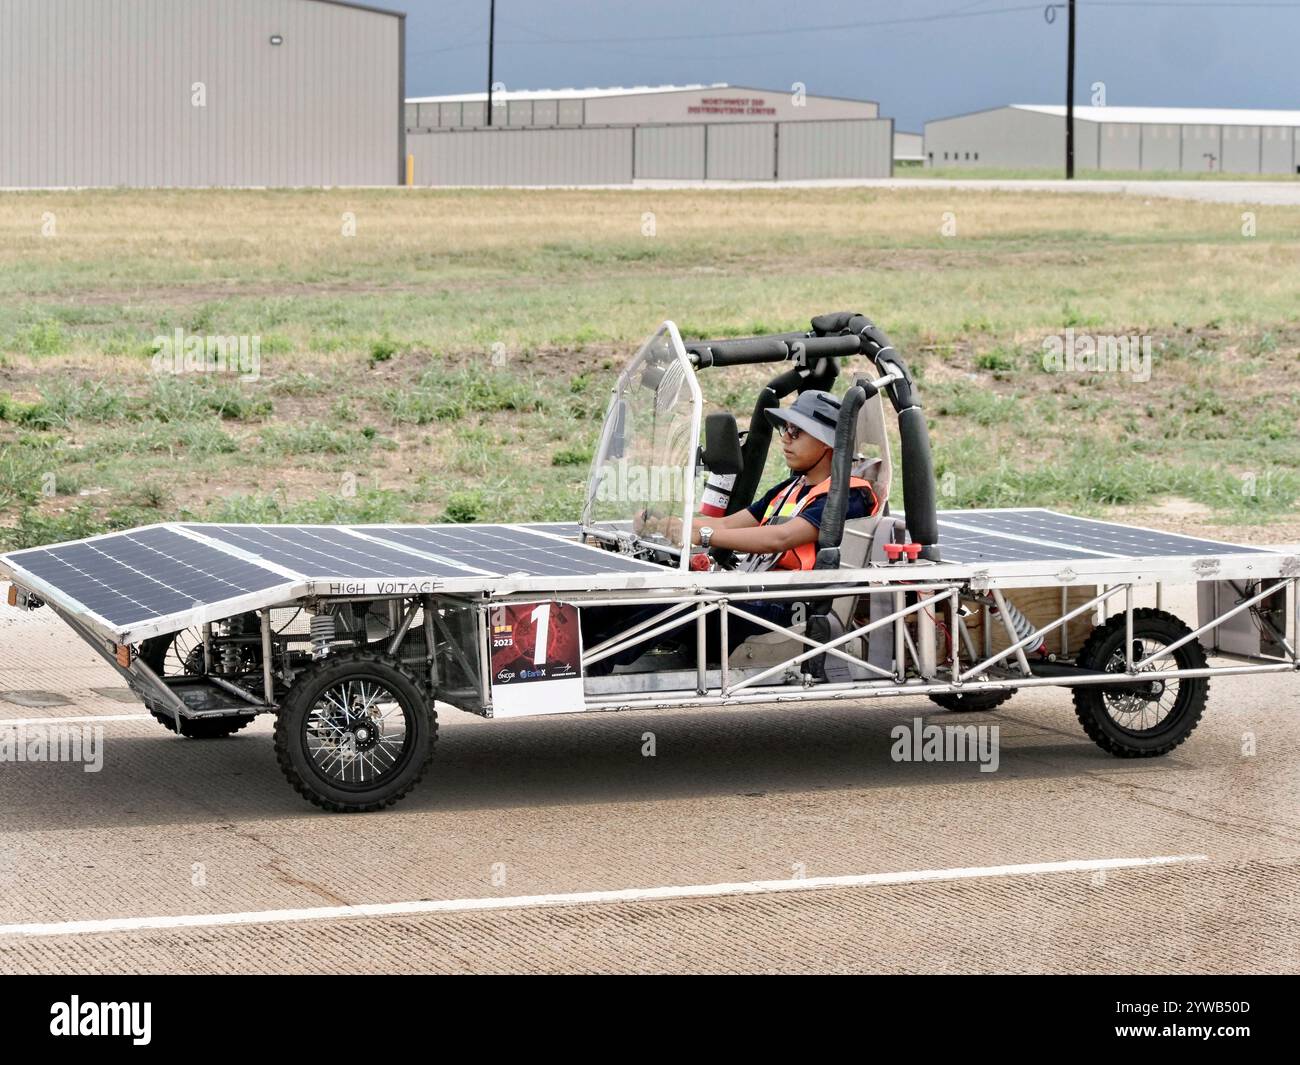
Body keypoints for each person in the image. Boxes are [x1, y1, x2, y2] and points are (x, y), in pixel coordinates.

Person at [583, 390, 880, 674]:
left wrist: (703, 536)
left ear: (828, 443)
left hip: (789, 611)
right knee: (654, 585)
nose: (785, 440)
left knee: (685, 598)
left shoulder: (849, 496)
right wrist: (667, 524)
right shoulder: (791, 488)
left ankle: (591, 664)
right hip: (759, 596)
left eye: (796, 432)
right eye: (785, 430)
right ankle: (572, 640)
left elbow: (781, 538)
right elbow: (728, 523)